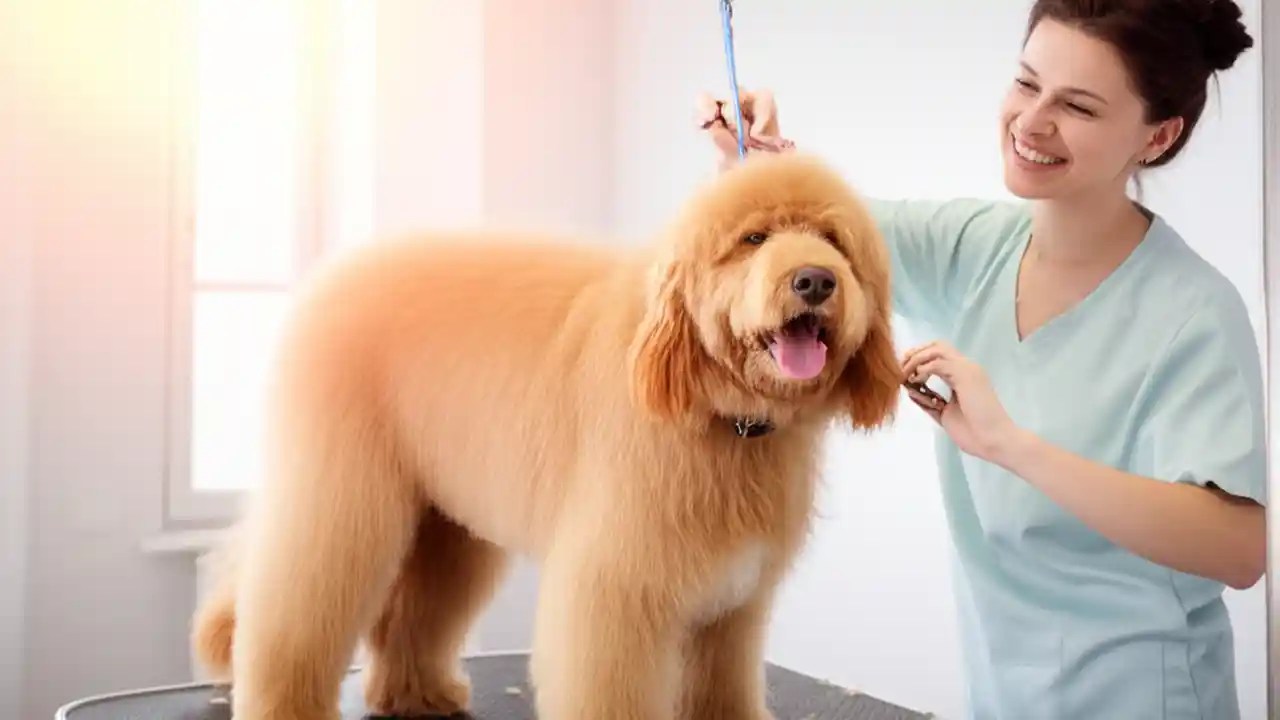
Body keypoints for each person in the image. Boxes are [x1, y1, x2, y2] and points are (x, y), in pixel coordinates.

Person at [697, 2, 1266, 719]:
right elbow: (815, 231)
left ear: (1157, 135)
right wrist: (750, 153)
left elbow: (1240, 547)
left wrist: (1011, 447)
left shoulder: (1192, 313)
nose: (1032, 123)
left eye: (1079, 107)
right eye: (1027, 84)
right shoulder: (978, 247)